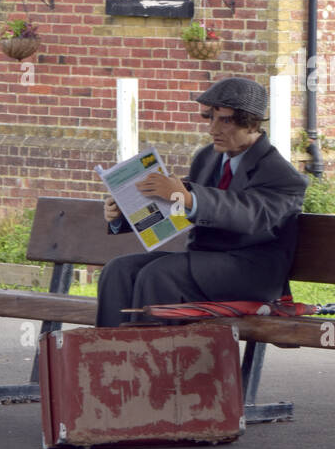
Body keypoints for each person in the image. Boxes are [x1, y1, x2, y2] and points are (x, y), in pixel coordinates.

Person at [96, 76, 308, 327]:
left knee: (159, 275)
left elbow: (249, 215)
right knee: (118, 270)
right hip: (203, 264)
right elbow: (178, 211)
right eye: (211, 118)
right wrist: (125, 214)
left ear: (251, 124)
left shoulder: (282, 176)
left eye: (225, 120)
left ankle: (151, 361)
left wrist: (188, 196)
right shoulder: (207, 158)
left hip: (249, 274)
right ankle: (110, 356)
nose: (213, 129)